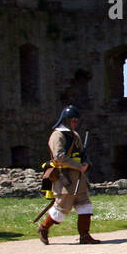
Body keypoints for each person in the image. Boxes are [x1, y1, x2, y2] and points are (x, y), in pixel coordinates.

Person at [37, 105, 99, 245]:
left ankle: (84, 235)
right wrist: (78, 166)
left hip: (79, 177)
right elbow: (59, 156)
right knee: (62, 208)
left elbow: (83, 154)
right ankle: (44, 228)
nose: (75, 123)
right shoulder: (57, 135)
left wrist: (86, 164)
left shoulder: (75, 135)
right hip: (64, 177)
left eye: (76, 121)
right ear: (66, 120)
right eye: (73, 120)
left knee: (85, 206)